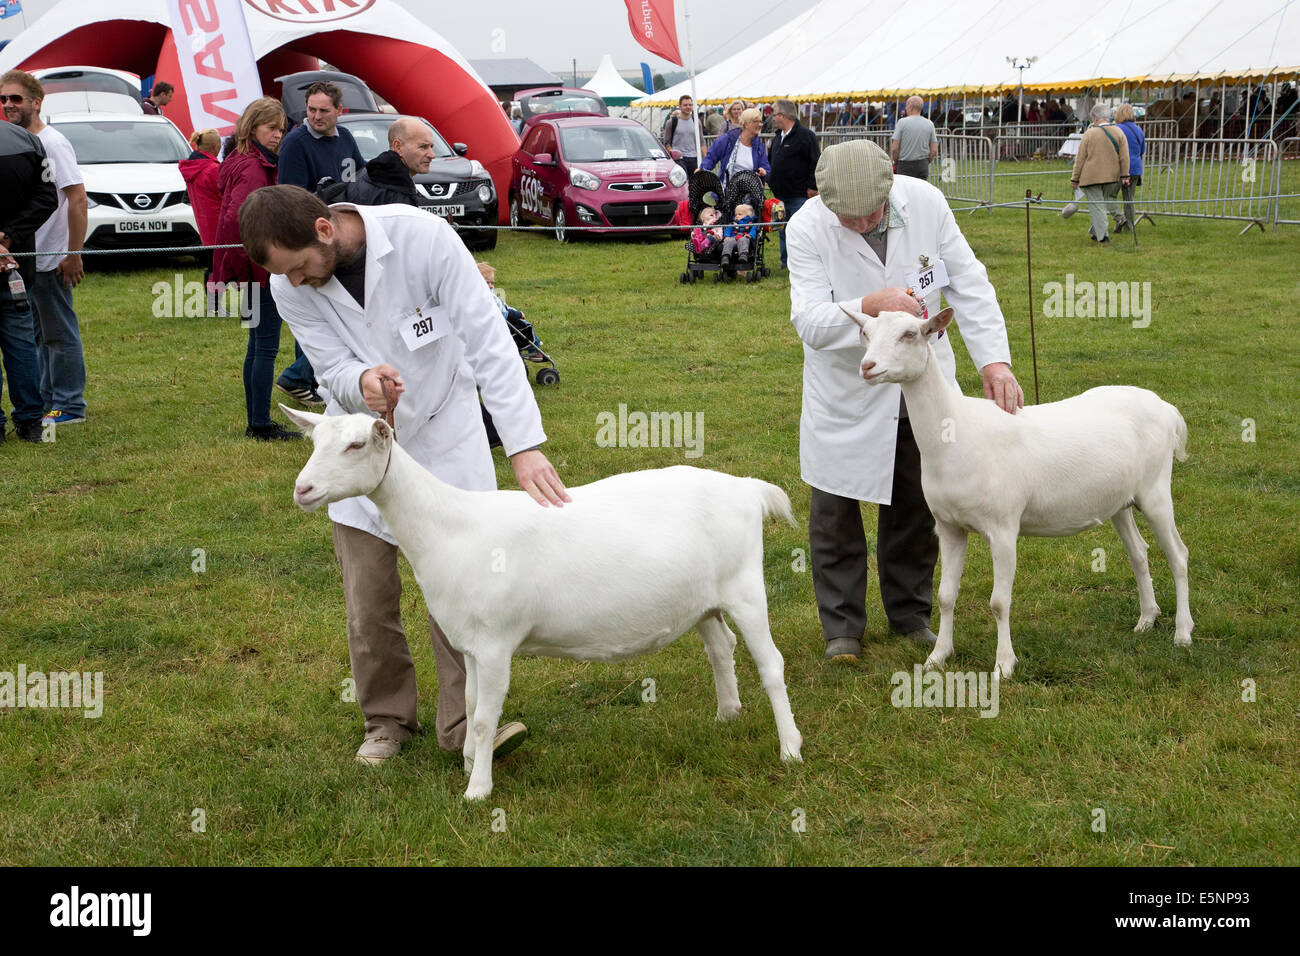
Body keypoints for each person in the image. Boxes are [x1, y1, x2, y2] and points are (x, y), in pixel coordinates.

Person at [238, 184, 570, 765]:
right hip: (360, 453)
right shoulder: (285, 284)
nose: (296, 283)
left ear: (324, 231)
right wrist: (360, 381)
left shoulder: (423, 237)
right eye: (285, 275)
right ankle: (386, 721)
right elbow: (328, 364)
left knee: (465, 587)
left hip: (446, 434)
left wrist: (523, 446)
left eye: (300, 269)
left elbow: (489, 339)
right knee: (368, 598)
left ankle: (470, 726)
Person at [786, 140, 1022, 662]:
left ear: (890, 182)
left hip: (924, 384)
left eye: (867, 213)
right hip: (847, 390)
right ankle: (842, 628)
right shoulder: (805, 227)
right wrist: (868, 305)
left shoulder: (928, 203)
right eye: (844, 216)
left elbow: (969, 283)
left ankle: (911, 611)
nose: (856, 222)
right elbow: (809, 321)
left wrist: (994, 361)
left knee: (922, 502)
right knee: (835, 511)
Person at [2, 70, 89, 429]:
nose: (8, 104)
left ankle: (70, 403)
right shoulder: (18, 142)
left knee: (58, 332)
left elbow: (78, 198)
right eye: (3, 99)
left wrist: (73, 253)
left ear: (36, 103)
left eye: (16, 99)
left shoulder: (51, 142)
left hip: (53, 256)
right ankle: (49, 400)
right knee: (37, 334)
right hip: (30, 258)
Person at [274, 81, 366, 408]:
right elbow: (291, 196)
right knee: (319, 308)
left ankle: (307, 378)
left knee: (334, 307)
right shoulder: (296, 143)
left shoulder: (348, 139)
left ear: (340, 111)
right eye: (310, 110)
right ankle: (301, 377)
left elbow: (359, 180)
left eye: (323, 110)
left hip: (341, 236)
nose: (315, 116)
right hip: (313, 239)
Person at [212, 96, 298, 441]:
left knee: (256, 345)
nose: (277, 135)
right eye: (271, 128)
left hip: (247, 266)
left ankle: (257, 420)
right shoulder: (251, 166)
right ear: (252, 127)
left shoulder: (241, 159)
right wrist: (256, 261)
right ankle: (260, 423)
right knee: (265, 346)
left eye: (281, 129)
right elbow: (237, 217)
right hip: (257, 268)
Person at [0, 101, 58, 443]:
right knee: (22, 343)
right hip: (17, 262)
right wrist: (8, 236)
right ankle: (32, 422)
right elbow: (47, 198)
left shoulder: (28, 142)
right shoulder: (29, 141)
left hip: (14, 259)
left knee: (23, 343)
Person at [317, 117, 431, 207]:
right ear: (398, 147)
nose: (432, 155)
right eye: (423, 147)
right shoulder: (394, 189)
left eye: (431, 146)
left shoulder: (373, 174)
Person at [769, 99, 820, 270]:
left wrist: (813, 186)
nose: (773, 118)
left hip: (799, 194)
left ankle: (803, 264)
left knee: (801, 230)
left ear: (783, 115)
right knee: (783, 230)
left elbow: (815, 162)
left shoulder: (806, 136)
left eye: (774, 114)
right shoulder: (778, 137)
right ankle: (786, 263)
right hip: (780, 194)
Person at [1068, 103, 1129, 244]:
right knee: (1100, 205)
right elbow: (1124, 157)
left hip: (1091, 176)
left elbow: (1080, 158)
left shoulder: (1089, 133)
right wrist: (1125, 175)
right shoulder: (1119, 132)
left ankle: (1103, 237)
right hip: (1112, 176)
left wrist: (1075, 178)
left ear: (1095, 118)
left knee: (1097, 206)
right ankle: (1096, 233)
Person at [180, 128, 222, 287]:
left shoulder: (193, 167)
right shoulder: (212, 169)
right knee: (217, 267)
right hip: (219, 224)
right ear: (216, 146)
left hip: (205, 224)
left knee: (212, 264)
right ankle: (215, 305)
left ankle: (214, 306)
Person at [700, 107, 770, 191]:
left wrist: (764, 171)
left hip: (750, 192)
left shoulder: (759, 144)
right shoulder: (728, 139)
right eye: (756, 121)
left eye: (761, 121)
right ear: (746, 124)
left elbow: (765, 166)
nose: (760, 125)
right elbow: (711, 157)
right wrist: (702, 170)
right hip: (728, 190)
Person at [891, 95, 939, 181]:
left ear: (910, 107)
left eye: (906, 106)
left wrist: (896, 161)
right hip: (922, 164)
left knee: (905, 192)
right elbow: (934, 150)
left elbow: (894, 148)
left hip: (905, 165)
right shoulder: (930, 124)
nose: (905, 108)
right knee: (920, 192)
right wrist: (927, 161)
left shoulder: (902, 122)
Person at [1113, 103, 1145, 234]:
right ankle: (1129, 226)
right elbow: (1142, 149)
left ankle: (1119, 219)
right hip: (1136, 168)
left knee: (1109, 196)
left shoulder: (1116, 129)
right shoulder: (1138, 130)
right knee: (1129, 199)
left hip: (1119, 168)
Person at [660, 94, 699, 176]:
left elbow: (702, 141)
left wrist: (705, 158)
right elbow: (666, 142)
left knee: (695, 185)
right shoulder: (672, 122)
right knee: (683, 182)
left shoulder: (696, 122)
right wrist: (672, 153)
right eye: (685, 105)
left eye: (690, 105)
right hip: (679, 158)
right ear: (680, 106)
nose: (688, 107)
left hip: (694, 158)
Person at [720, 203, 758, 272]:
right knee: (729, 241)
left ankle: (743, 255)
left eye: (740, 214)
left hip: (745, 239)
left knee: (743, 240)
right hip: (734, 238)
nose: (737, 216)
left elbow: (753, 231)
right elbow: (728, 230)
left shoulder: (751, 224)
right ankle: (725, 256)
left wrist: (750, 235)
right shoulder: (733, 224)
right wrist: (726, 236)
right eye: (736, 214)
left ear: (748, 216)